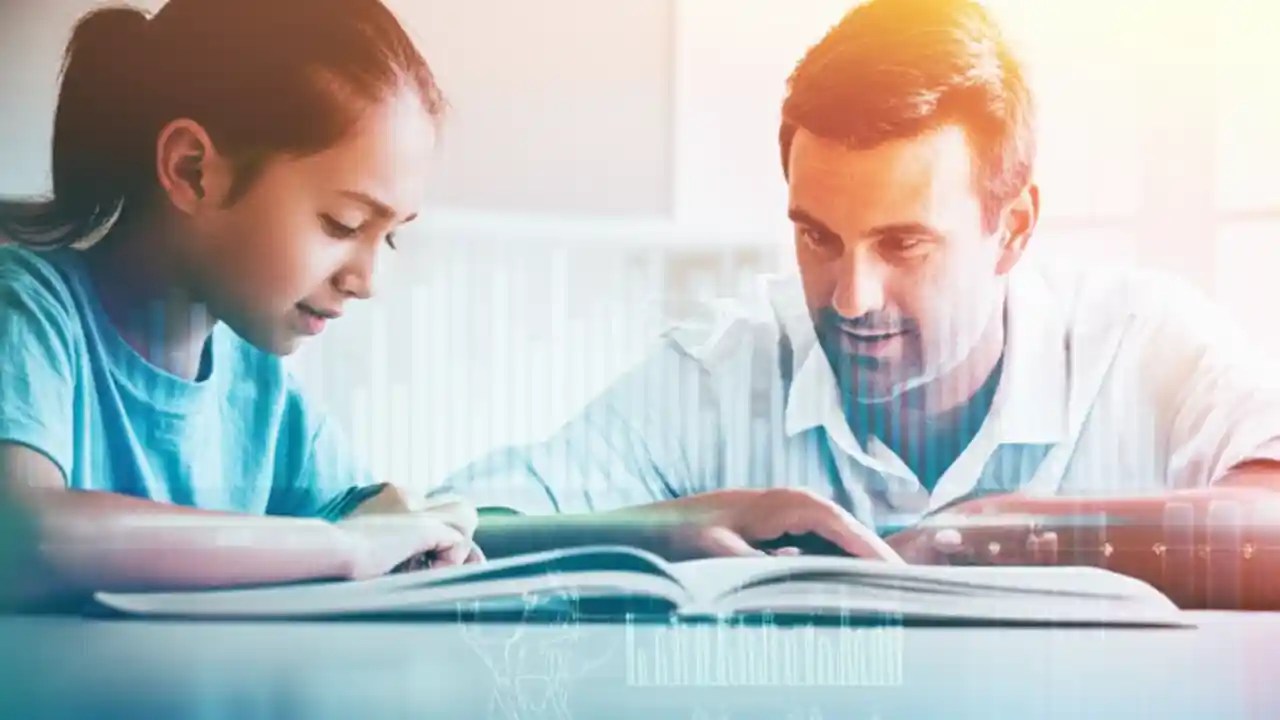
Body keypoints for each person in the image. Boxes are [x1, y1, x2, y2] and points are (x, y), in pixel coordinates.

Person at [441, 0, 1280, 606]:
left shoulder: (1149, 344)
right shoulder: (719, 373)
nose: (850, 297)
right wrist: (665, 527)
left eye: (902, 244)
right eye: (817, 237)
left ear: (1013, 227)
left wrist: (984, 536)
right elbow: (452, 529)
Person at [0, 0, 480, 608]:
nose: (367, 280)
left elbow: (369, 513)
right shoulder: (29, 313)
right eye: (342, 222)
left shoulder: (265, 395)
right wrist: (344, 547)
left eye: (389, 234)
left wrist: (419, 535)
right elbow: (22, 537)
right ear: (193, 170)